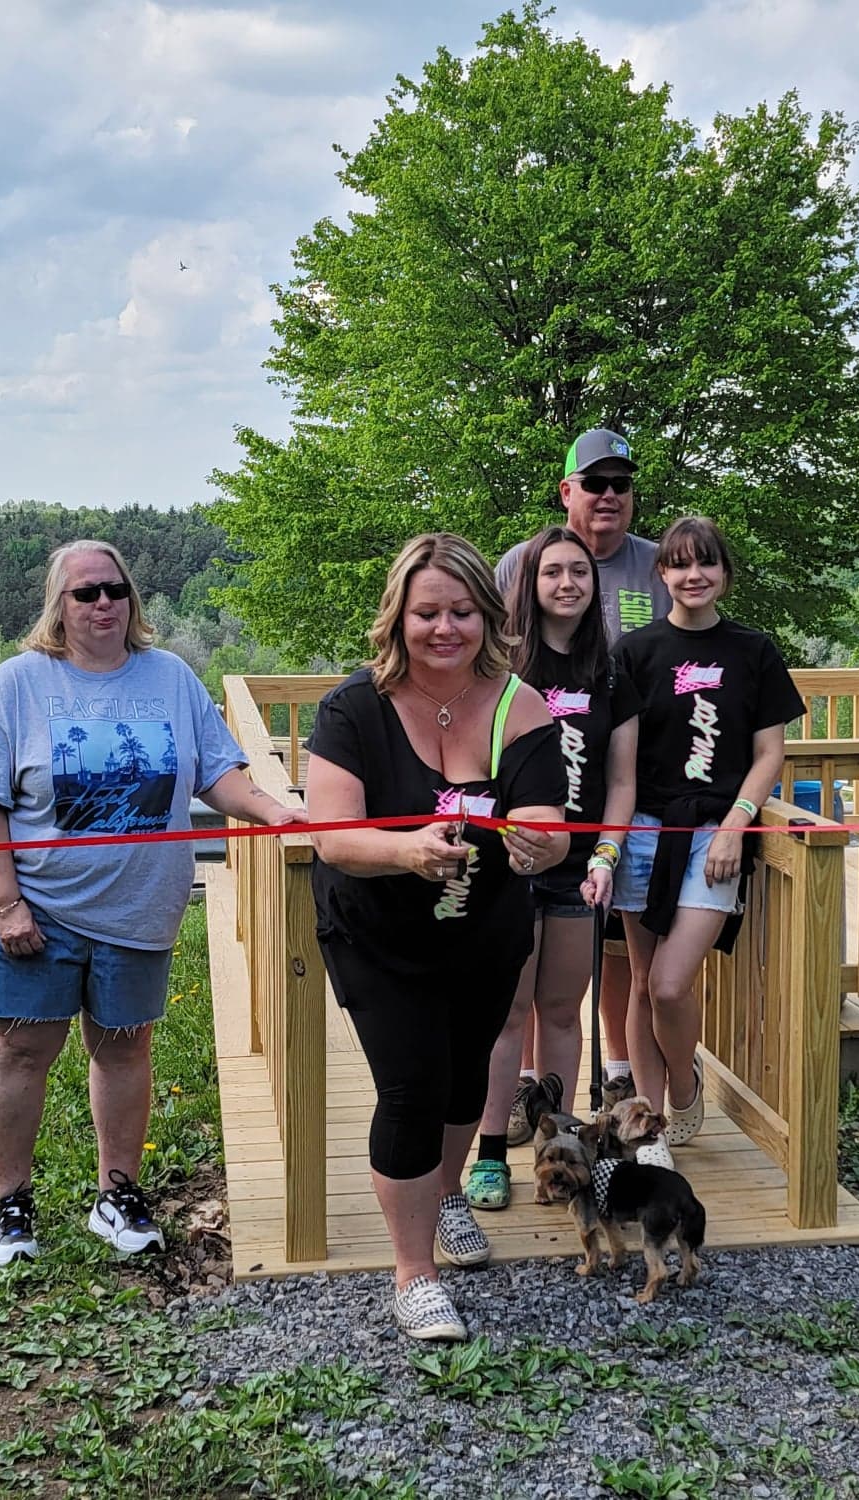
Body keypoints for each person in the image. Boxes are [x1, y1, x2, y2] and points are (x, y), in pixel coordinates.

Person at [0, 540, 306, 1269]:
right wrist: (6, 902)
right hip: (38, 911)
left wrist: (272, 810)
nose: (104, 603)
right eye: (86, 594)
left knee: (124, 1049)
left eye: (115, 590)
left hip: (140, 910)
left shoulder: (169, 677)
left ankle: (118, 1195)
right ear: (59, 606)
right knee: (20, 1052)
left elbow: (218, 772)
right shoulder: (18, 685)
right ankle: (11, 1207)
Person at [303, 533, 569, 1341]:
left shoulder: (521, 704)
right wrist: (407, 849)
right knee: (413, 1086)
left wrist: (541, 844)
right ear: (399, 617)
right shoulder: (353, 709)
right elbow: (333, 836)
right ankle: (413, 1273)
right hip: (377, 931)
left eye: (461, 611)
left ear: (488, 618)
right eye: (427, 613)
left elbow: (549, 820)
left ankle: (447, 1191)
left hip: (484, 929)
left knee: (462, 1087)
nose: (444, 628)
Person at [495, 429, 672, 1119]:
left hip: (630, 783)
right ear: (566, 491)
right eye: (593, 483)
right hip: (532, 815)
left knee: (618, 945)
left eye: (619, 484)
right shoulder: (520, 561)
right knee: (522, 979)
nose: (608, 496)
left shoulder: (656, 566)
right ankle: (519, 1092)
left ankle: (616, 1073)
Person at [611, 515, 804, 1146]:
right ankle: (647, 1123)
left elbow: (769, 754)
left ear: (724, 574)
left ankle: (685, 1090)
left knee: (671, 982)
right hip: (645, 830)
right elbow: (620, 760)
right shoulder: (634, 653)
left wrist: (736, 824)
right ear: (661, 573)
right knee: (642, 981)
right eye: (680, 564)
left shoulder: (754, 651)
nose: (694, 575)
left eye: (707, 563)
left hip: (716, 831)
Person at [465, 526, 640, 1210]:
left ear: (595, 585)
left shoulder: (611, 670)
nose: (568, 583)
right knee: (507, 1013)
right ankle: (487, 1154)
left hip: (580, 869)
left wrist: (605, 853)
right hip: (511, 862)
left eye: (580, 572)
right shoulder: (503, 670)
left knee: (562, 1012)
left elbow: (621, 782)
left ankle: (561, 1151)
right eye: (553, 573)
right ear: (529, 586)